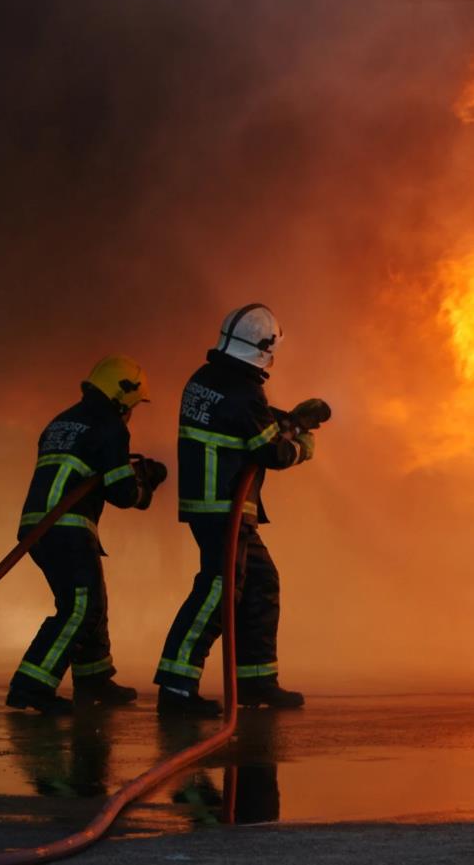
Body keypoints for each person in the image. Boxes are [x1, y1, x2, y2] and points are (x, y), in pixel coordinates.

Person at [153, 303, 325, 716]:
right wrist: (301, 445)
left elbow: (242, 423)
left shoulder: (207, 378)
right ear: (264, 348)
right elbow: (271, 451)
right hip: (223, 508)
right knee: (218, 591)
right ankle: (176, 688)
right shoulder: (244, 391)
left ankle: (255, 681)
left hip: (217, 506)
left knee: (260, 581)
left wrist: (291, 418)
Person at [7, 354, 167, 715]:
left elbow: (88, 470)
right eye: (133, 406)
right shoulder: (110, 426)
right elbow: (123, 492)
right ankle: (31, 685)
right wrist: (147, 482)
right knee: (81, 607)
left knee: (92, 600)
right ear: (121, 396)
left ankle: (94, 677)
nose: (132, 413)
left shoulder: (64, 421)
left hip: (42, 524)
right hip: (65, 526)